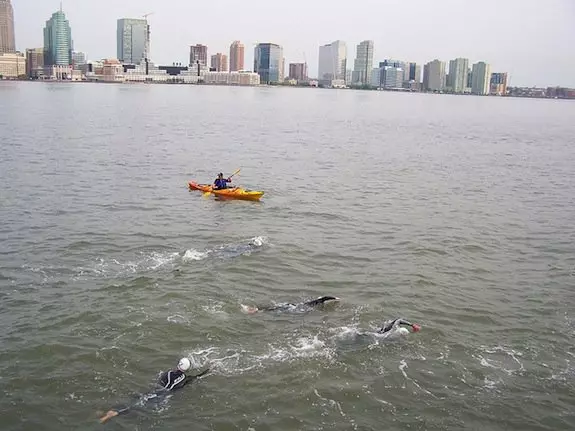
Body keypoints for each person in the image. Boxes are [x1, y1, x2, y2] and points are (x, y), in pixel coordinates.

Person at [99, 358, 209, 423]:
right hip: (164, 397)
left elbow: (160, 380)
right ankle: (112, 412)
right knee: (141, 405)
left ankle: (112, 412)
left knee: (138, 401)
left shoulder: (169, 373)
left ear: (178, 364)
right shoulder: (184, 379)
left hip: (159, 391)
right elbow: (190, 380)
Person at [243, 296, 340, 314]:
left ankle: (256, 310)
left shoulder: (310, 303)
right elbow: (324, 299)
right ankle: (256, 310)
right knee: (276, 309)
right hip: (297, 308)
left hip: (294, 305)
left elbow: (324, 298)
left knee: (276, 308)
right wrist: (336, 299)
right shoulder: (311, 305)